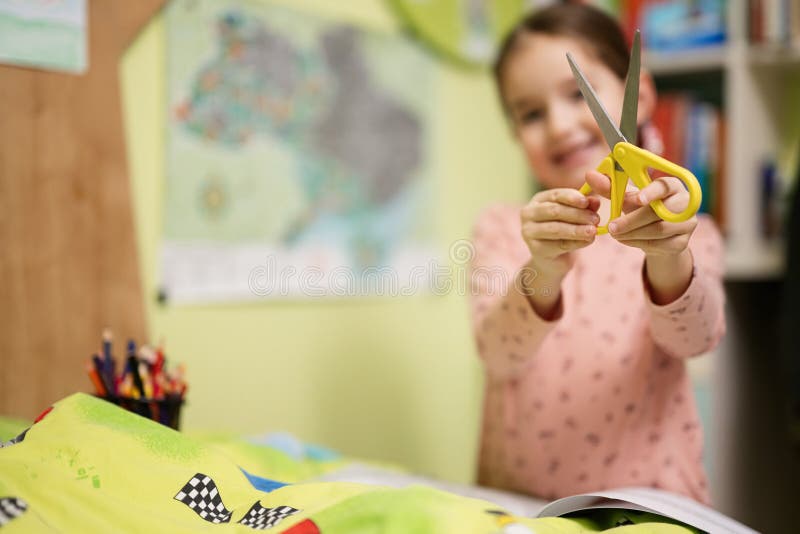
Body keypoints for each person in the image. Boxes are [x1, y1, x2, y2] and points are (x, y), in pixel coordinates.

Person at [470, 3, 725, 505]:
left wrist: (668, 259)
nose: (560, 125)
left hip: (650, 507)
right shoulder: (501, 228)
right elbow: (498, 353)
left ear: (639, 97)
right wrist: (543, 269)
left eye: (577, 94)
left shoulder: (688, 229)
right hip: (520, 505)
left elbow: (695, 340)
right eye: (531, 113)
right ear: (515, 133)